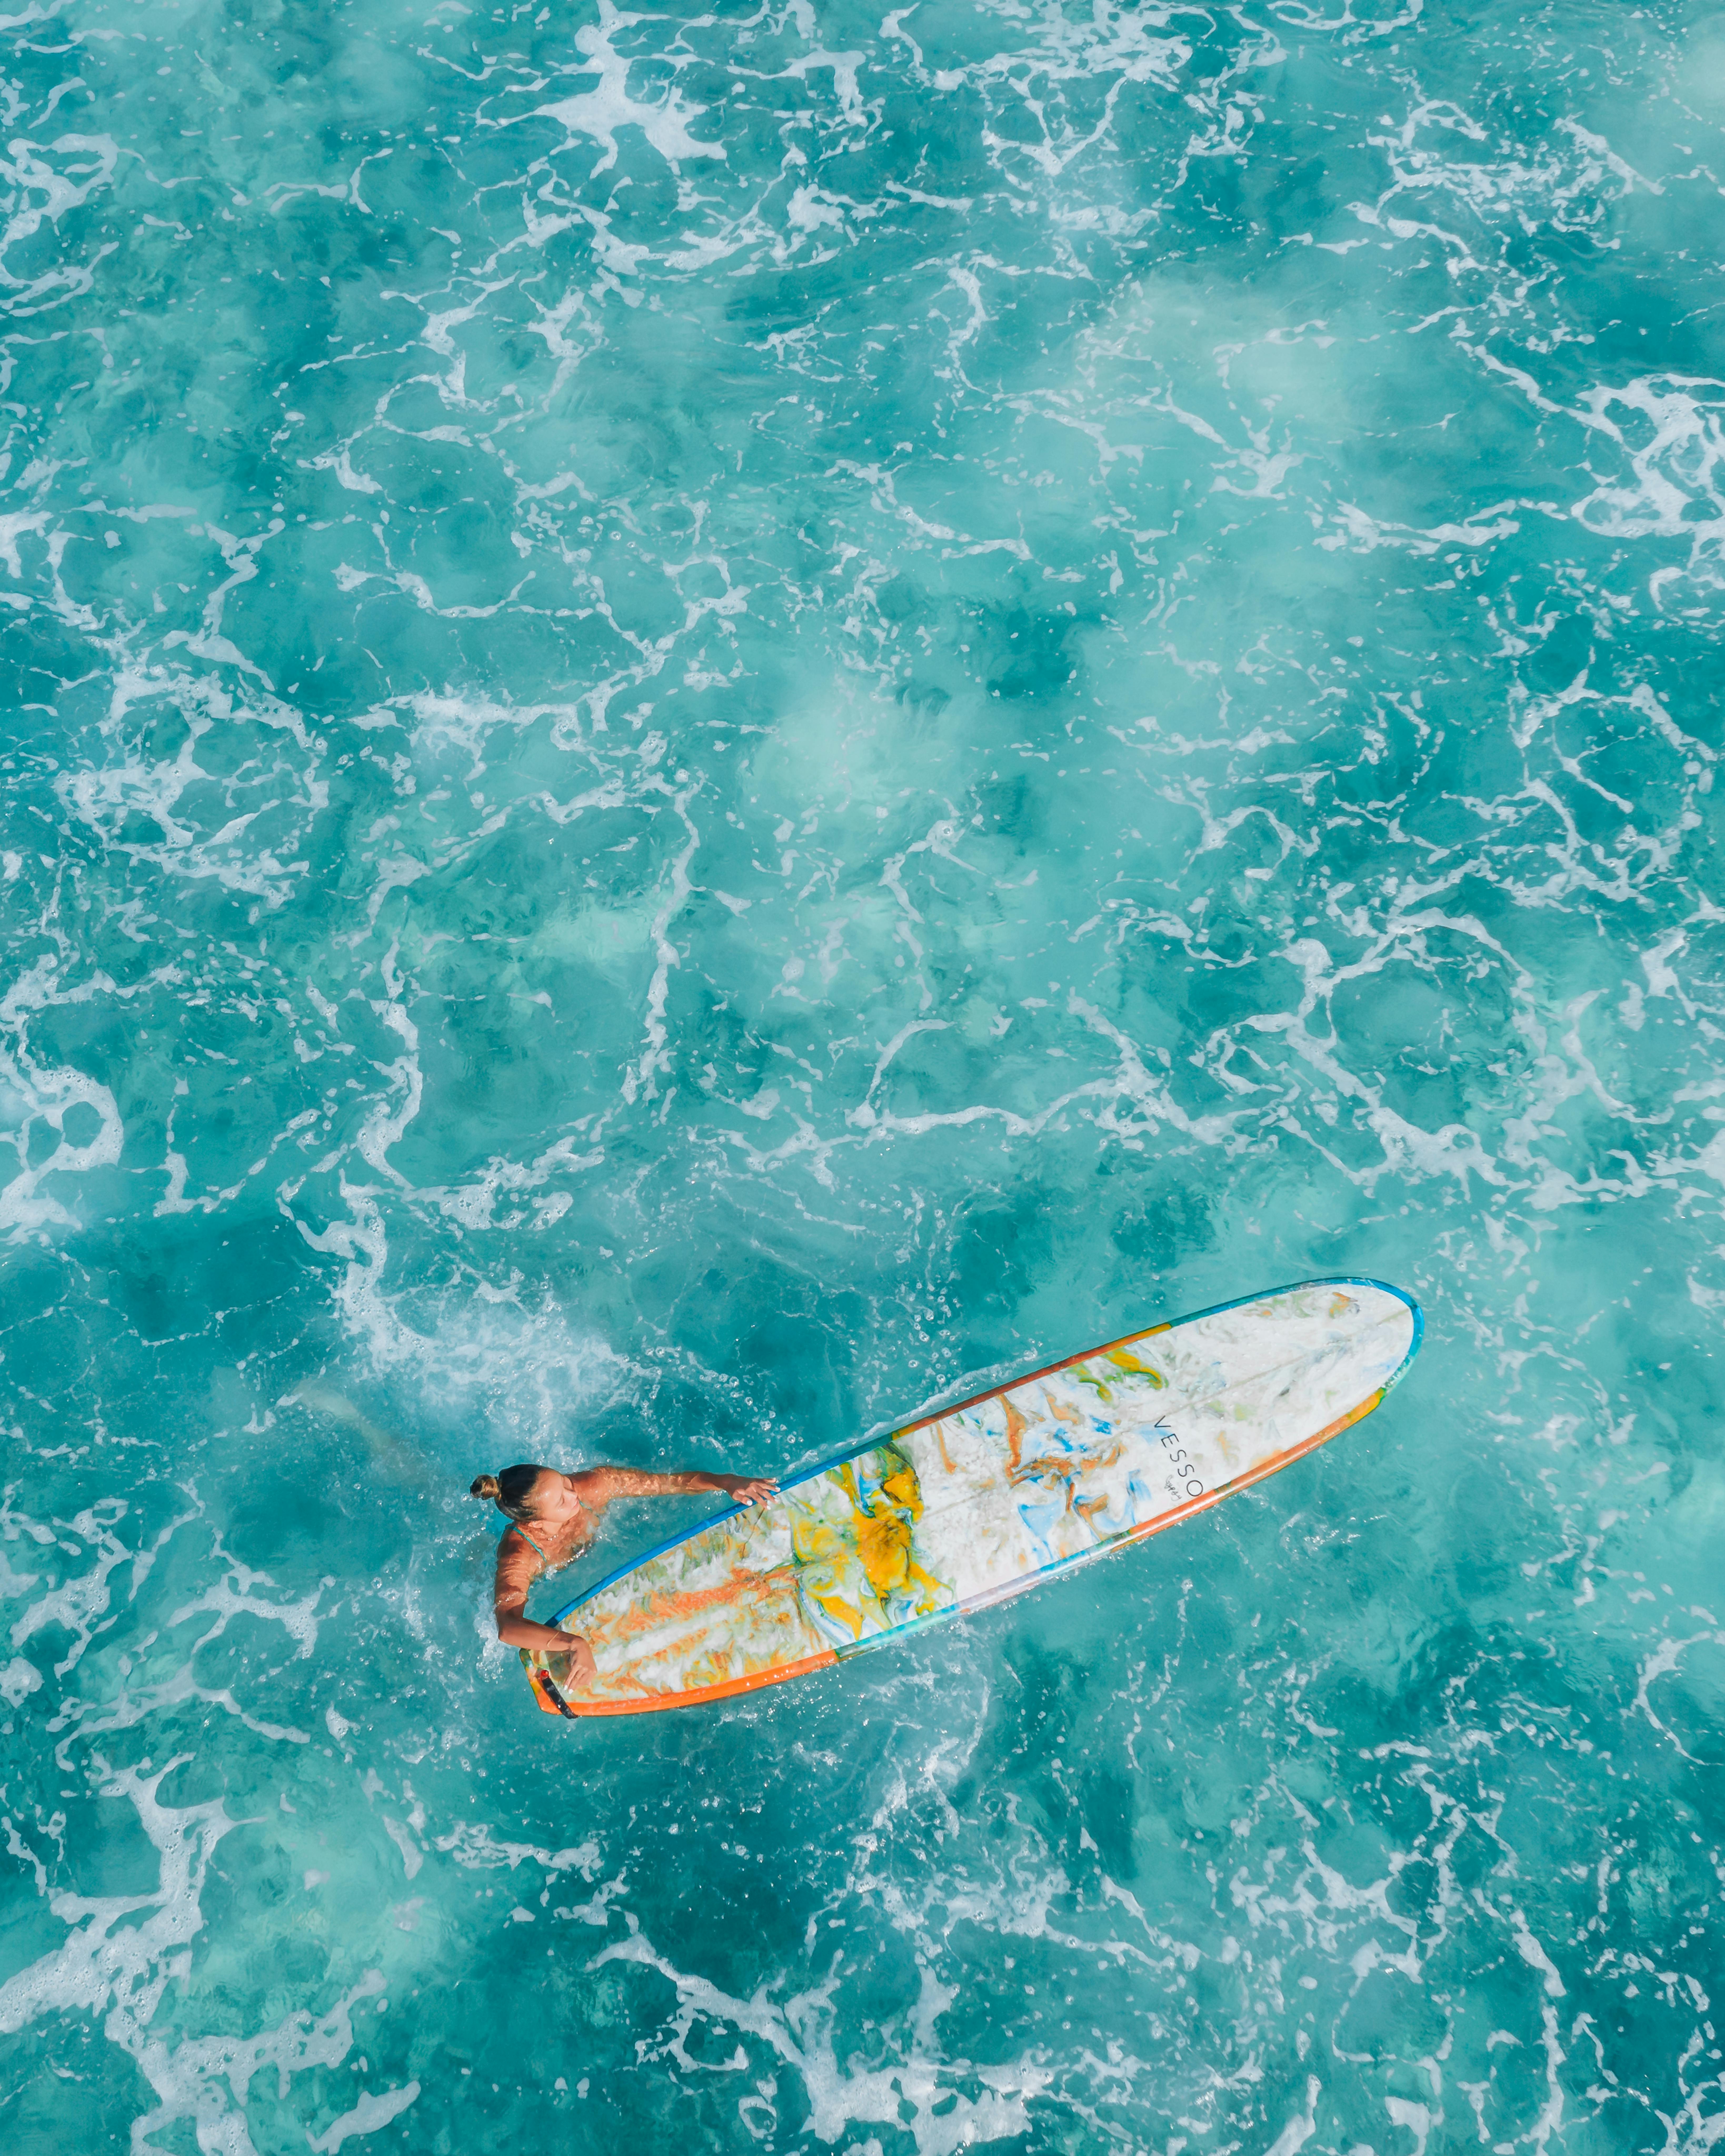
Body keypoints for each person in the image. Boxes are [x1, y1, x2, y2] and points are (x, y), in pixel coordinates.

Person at [470, 1460, 779, 1691]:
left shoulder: (593, 1486)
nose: (572, 1494)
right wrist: (573, 1643)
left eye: (564, 1482)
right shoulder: (521, 1553)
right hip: (537, 1573)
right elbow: (508, 1626)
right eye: (561, 1501)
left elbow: (669, 1483)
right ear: (536, 1523)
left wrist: (726, 1480)